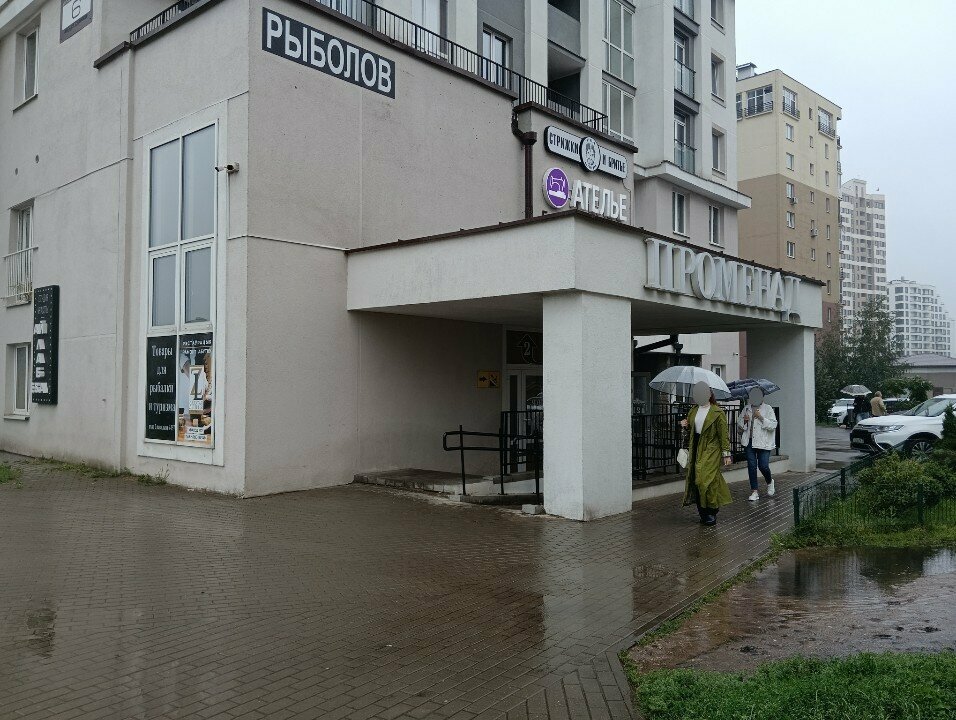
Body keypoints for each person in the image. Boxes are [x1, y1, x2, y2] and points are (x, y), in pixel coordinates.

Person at [680, 381, 732, 526]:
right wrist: (684, 425)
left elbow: (724, 435)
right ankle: (703, 512)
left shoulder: (717, 412)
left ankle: (712, 510)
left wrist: (726, 454)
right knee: (696, 479)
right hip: (696, 446)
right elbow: (690, 432)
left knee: (704, 479)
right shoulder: (693, 411)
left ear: (709, 394)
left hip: (711, 448)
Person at [738, 388, 777, 501]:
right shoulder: (746, 408)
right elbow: (739, 427)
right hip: (749, 441)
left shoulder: (768, 408)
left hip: (763, 442)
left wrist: (760, 417)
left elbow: (773, 425)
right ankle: (754, 491)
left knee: (763, 465)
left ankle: (770, 481)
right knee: (751, 466)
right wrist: (744, 421)